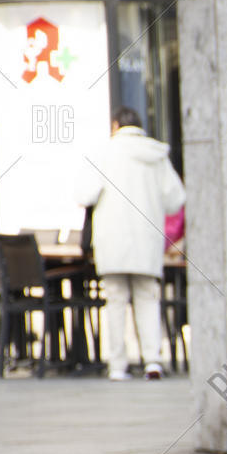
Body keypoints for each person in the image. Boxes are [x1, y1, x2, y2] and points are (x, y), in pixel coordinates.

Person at [76, 107, 185, 381]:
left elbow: (85, 194)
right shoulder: (156, 155)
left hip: (112, 241)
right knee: (148, 298)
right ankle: (152, 361)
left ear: (115, 126)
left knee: (115, 302)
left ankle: (118, 366)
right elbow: (175, 199)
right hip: (147, 241)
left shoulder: (104, 153)